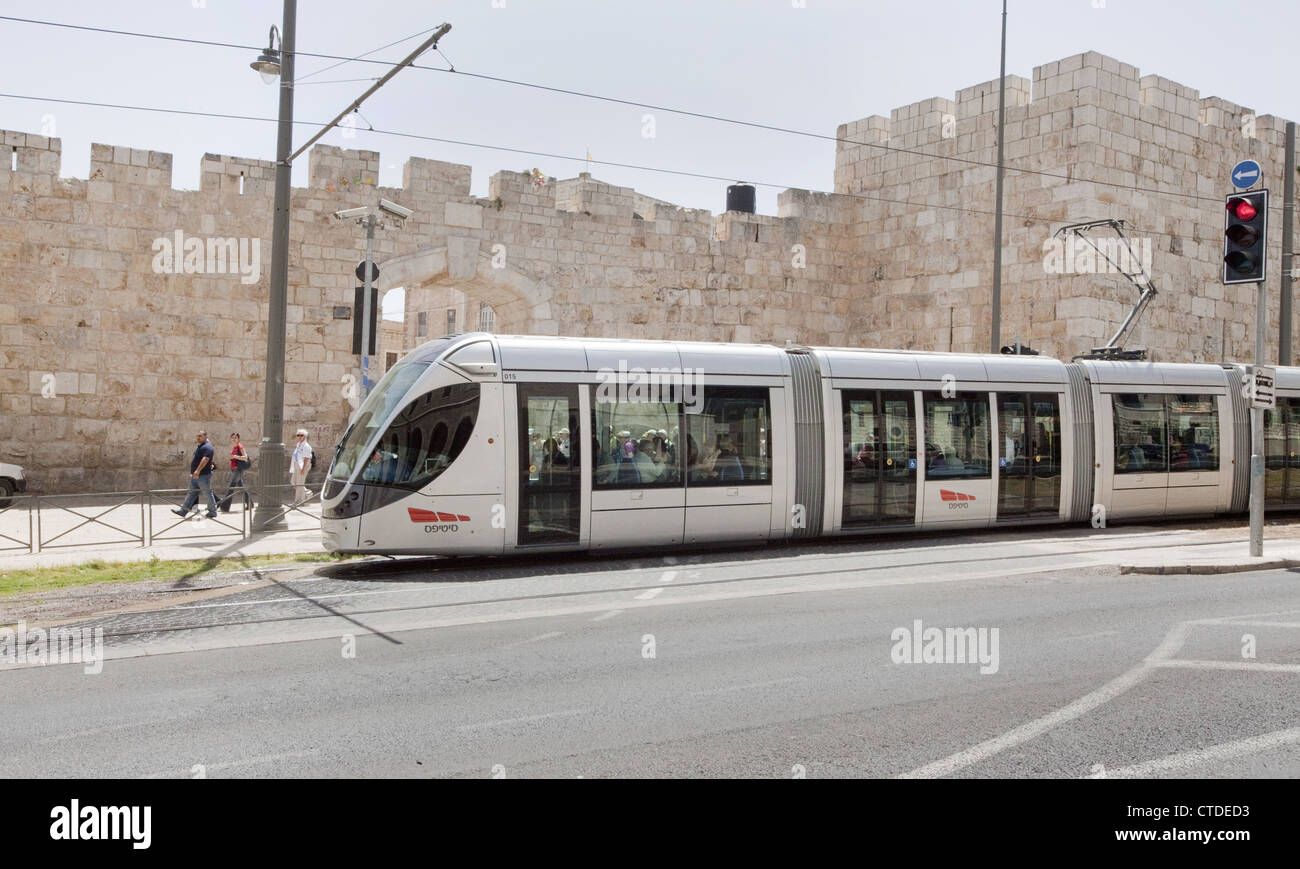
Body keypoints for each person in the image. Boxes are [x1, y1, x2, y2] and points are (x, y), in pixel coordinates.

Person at [173, 430, 218, 518]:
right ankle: (183, 511)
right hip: (196, 476)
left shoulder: (207, 447)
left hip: (203, 475)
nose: (198, 437)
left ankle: (212, 511)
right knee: (191, 493)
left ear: (205, 436)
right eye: (197, 436)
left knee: (207, 493)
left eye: (200, 436)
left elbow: (205, 460)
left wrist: (197, 471)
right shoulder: (201, 447)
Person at [218, 432, 252, 512]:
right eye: (232, 437)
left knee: (231, 487)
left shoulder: (240, 446)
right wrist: (232, 457)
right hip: (234, 469)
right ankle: (250, 503)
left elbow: (245, 458)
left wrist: (235, 456)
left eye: (235, 437)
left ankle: (224, 507)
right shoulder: (235, 447)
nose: (233, 439)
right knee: (241, 487)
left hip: (238, 470)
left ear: (238, 439)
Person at [291, 428, 313, 502]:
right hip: (297, 464)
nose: (299, 437)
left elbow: (306, 458)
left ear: (305, 436)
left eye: (301, 435)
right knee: (293, 482)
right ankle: (307, 493)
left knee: (299, 483)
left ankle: (298, 500)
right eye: (298, 435)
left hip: (303, 465)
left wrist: (303, 469)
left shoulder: (306, 446)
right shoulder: (298, 445)